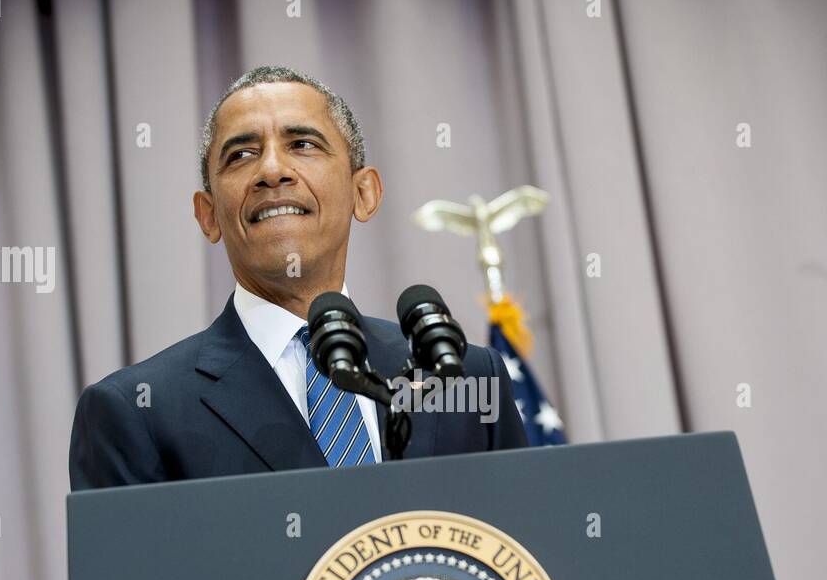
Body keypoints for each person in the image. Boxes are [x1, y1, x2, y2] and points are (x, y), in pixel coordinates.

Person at [68, 65, 526, 491]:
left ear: (363, 193)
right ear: (207, 216)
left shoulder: (463, 377)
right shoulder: (134, 411)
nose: (271, 170)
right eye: (242, 154)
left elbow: (522, 558)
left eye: (302, 145)